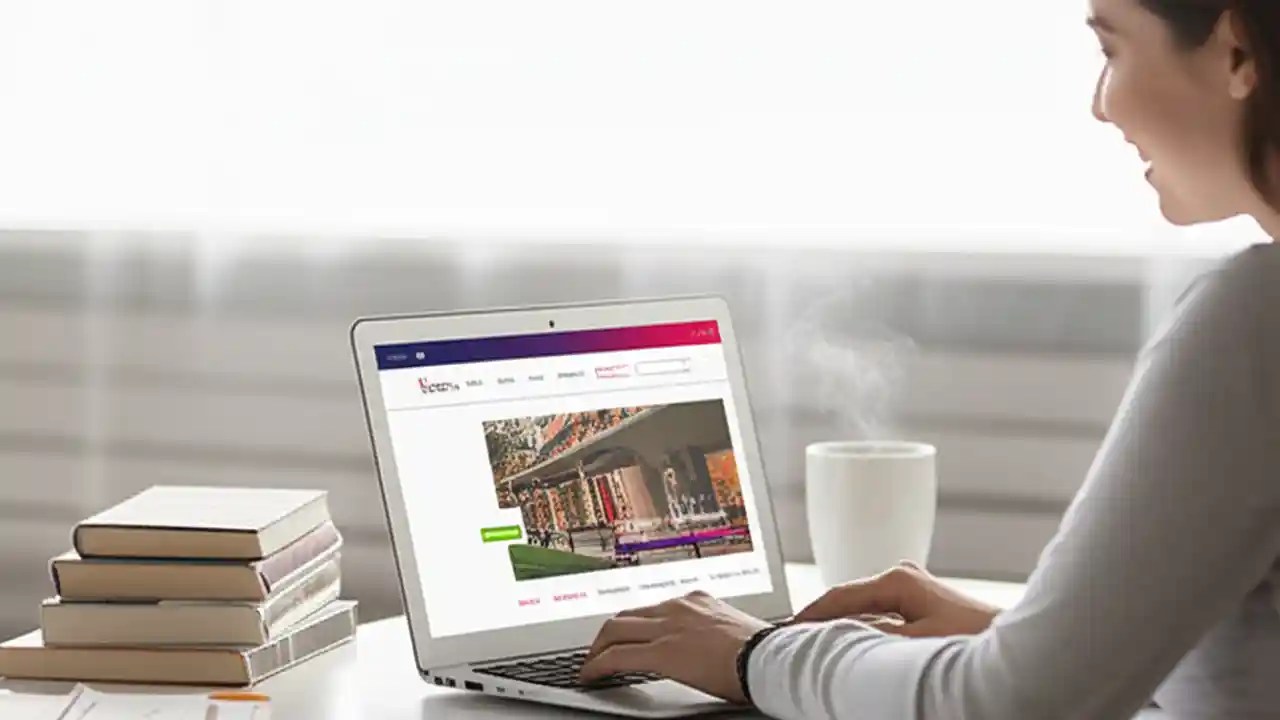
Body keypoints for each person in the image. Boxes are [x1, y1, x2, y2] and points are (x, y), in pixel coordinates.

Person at [581, 1, 1280, 717]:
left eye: (1113, 50)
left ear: (1237, 53)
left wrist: (756, 653)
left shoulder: (1256, 316)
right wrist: (1026, 640)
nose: (1101, 105)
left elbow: (1009, 707)